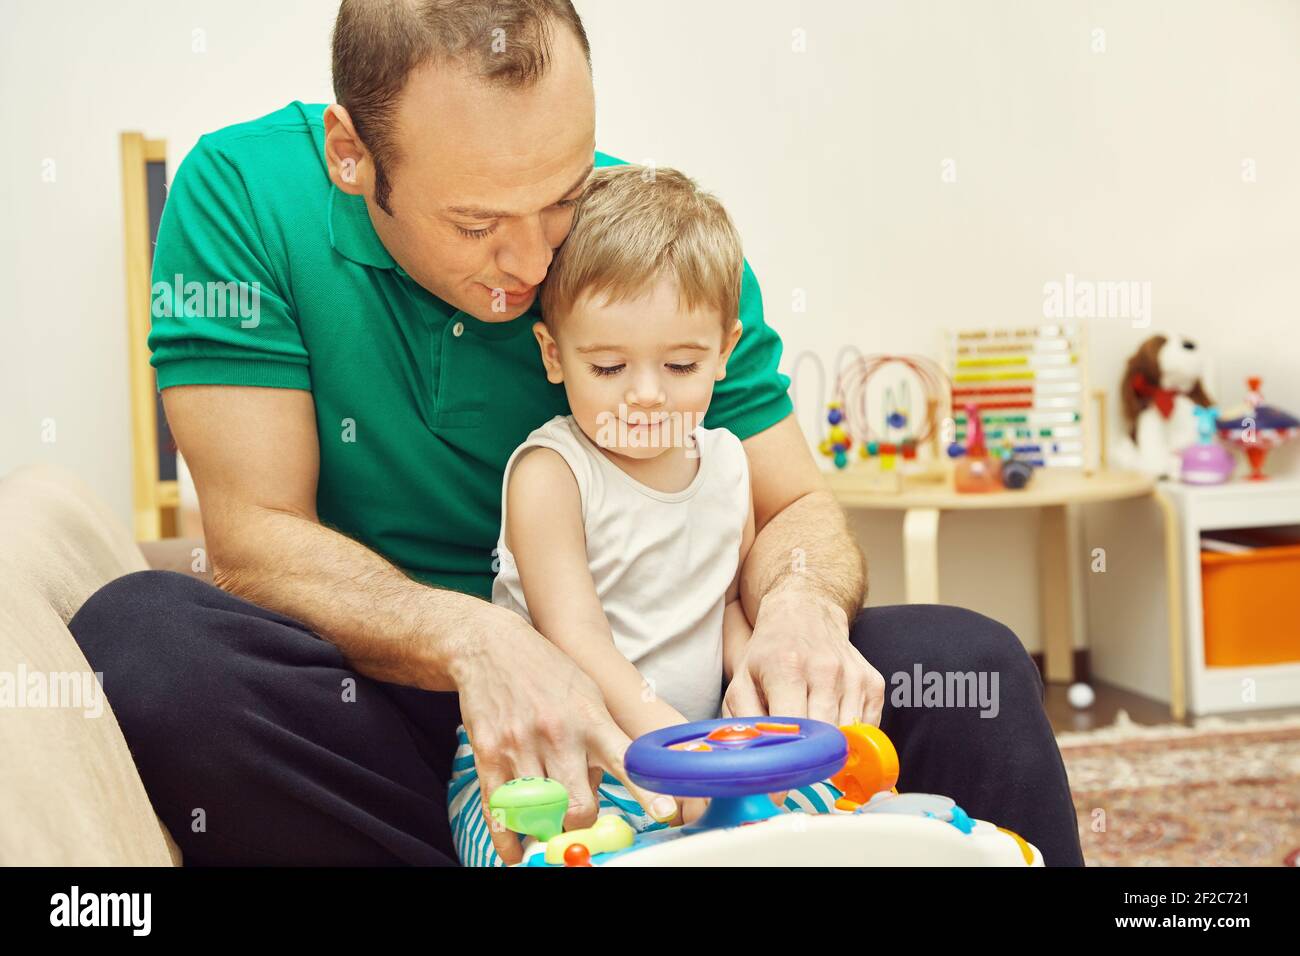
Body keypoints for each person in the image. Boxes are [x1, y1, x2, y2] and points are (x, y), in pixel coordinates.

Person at [68, 0, 1084, 866]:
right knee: (146, 645)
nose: (529, 260)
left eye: (560, 195)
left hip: (668, 696)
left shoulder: (640, 244)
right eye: (475, 223)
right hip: (386, 710)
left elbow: (793, 508)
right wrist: (479, 640)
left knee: (974, 665)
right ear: (351, 153)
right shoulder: (240, 194)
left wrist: (799, 608)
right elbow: (251, 536)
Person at [448, 165, 845, 865]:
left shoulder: (728, 465)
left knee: (826, 815)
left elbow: (722, 606)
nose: (647, 397)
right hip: (566, 754)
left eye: (681, 366)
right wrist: (669, 744)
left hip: (689, 747)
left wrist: (756, 692)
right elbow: (577, 637)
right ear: (553, 355)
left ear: (724, 351)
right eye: (607, 368)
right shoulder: (551, 475)